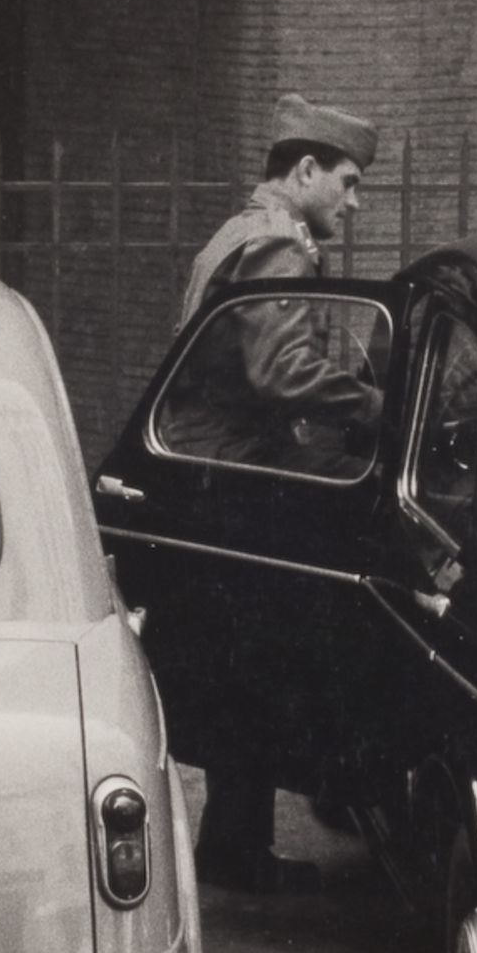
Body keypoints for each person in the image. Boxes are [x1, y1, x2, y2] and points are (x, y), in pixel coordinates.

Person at [173, 93, 380, 892]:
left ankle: (234, 845)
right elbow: (280, 370)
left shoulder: (240, 232)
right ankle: (254, 839)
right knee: (263, 656)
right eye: (348, 182)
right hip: (231, 482)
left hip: (208, 470)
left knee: (240, 664)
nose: (352, 202)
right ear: (304, 171)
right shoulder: (277, 249)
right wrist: (374, 409)